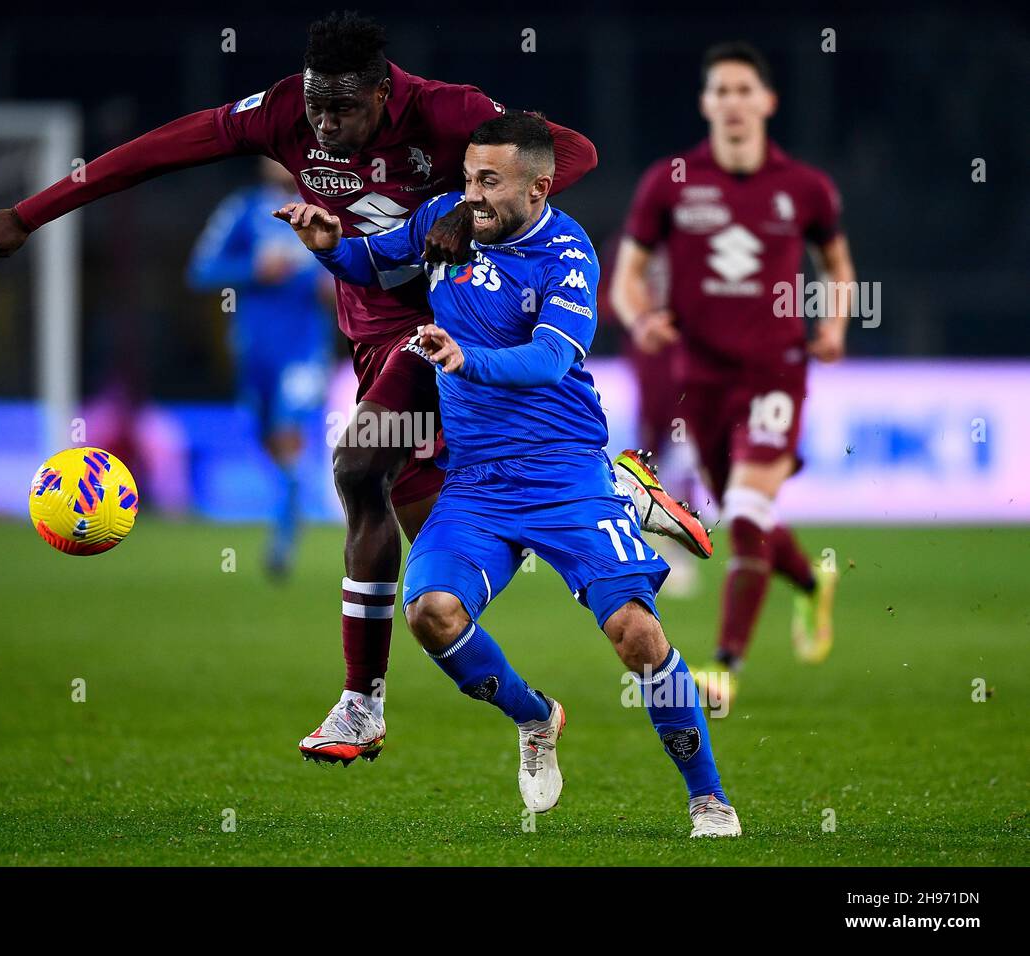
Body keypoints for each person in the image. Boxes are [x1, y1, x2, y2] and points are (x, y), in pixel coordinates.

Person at [0, 11, 703, 765]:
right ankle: (544, 680)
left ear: (383, 94)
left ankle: (361, 702)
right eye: (315, 107)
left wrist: (471, 215)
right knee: (433, 563)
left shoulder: (449, 111)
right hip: (372, 326)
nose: (324, 125)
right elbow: (156, 152)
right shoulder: (280, 115)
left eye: (342, 108)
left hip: (458, 319)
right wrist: (30, 216)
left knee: (356, 465)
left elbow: (573, 154)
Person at [276, 112, 740, 837]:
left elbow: (553, 359)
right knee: (431, 614)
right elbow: (377, 262)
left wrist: (467, 360)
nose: (473, 195)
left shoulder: (568, 253)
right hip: (478, 484)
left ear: (539, 188)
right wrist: (331, 248)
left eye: (490, 182)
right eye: (468, 178)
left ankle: (708, 798)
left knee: (635, 634)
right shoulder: (443, 219)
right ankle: (534, 717)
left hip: (563, 475)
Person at [610, 42, 858, 708]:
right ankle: (811, 583)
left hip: (777, 374)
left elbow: (837, 266)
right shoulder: (670, 182)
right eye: (720, 90)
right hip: (704, 380)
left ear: (767, 102)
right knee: (742, 520)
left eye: (745, 89)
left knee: (746, 515)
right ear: (706, 104)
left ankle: (724, 667)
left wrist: (832, 326)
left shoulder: (804, 188)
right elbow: (626, 278)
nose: (733, 102)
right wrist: (640, 320)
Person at [188, 157, 334, 578]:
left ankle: (283, 544)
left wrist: (338, 285)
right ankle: (289, 498)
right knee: (264, 435)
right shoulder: (244, 209)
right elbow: (200, 271)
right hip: (254, 349)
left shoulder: (328, 210)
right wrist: (253, 268)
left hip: (304, 349)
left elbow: (356, 272)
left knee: (288, 430)